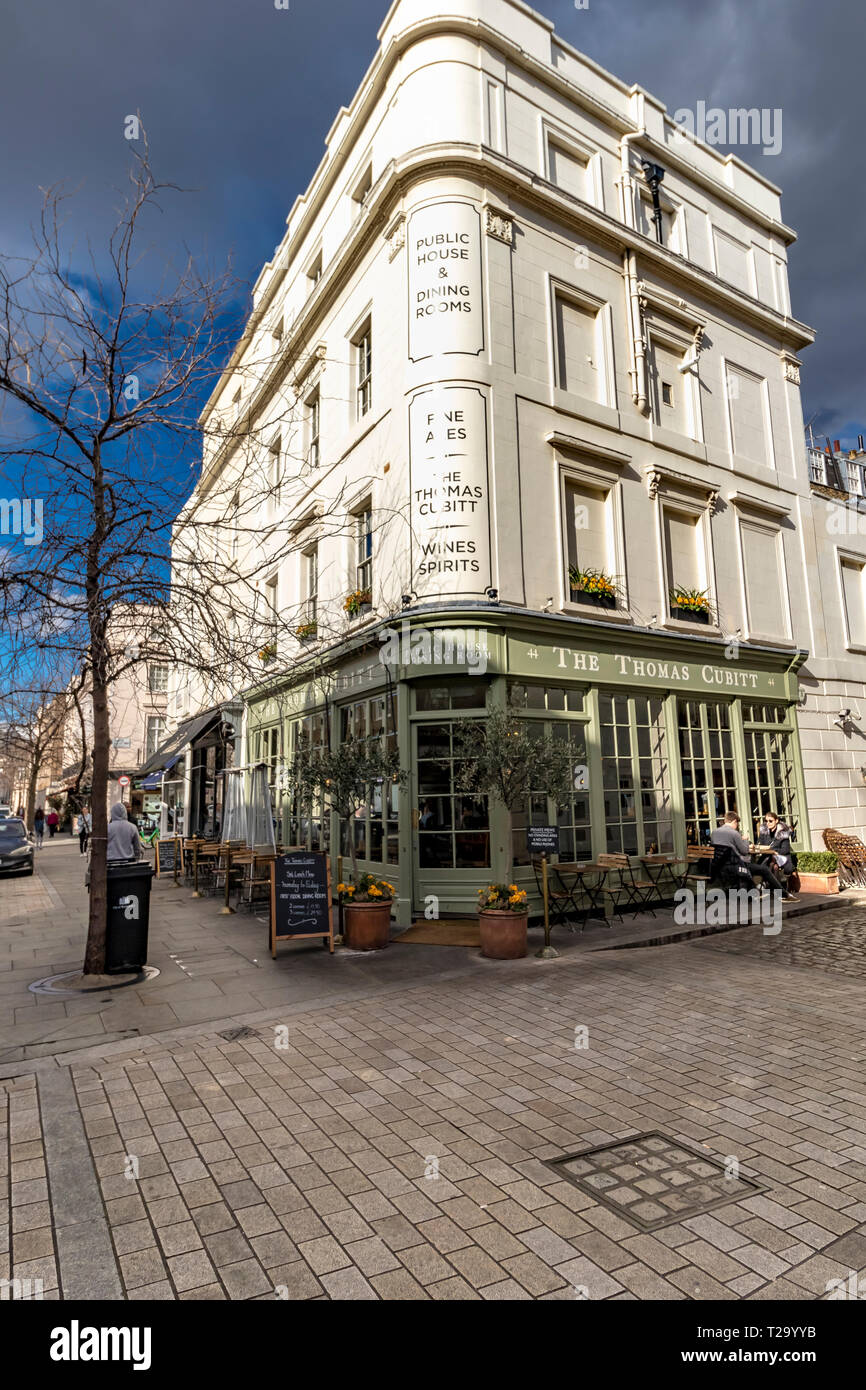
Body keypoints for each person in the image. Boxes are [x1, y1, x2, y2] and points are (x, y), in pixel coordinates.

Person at [711, 810, 793, 899]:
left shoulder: (714, 832)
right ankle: (783, 894)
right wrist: (745, 840)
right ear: (734, 821)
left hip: (718, 867)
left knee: (749, 867)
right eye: (737, 823)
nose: (737, 826)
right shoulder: (734, 833)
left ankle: (753, 893)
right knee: (763, 869)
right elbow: (744, 851)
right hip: (735, 867)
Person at [758, 811, 797, 896]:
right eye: (766, 821)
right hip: (767, 856)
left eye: (770, 821)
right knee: (768, 865)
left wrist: (772, 850)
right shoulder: (764, 832)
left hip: (781, 857)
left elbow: (785, 850)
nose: (768, 823)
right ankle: (772, 889)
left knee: (774, 865)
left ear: (776, 821)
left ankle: (774, 889)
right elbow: (760, 844)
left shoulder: (783, 833)